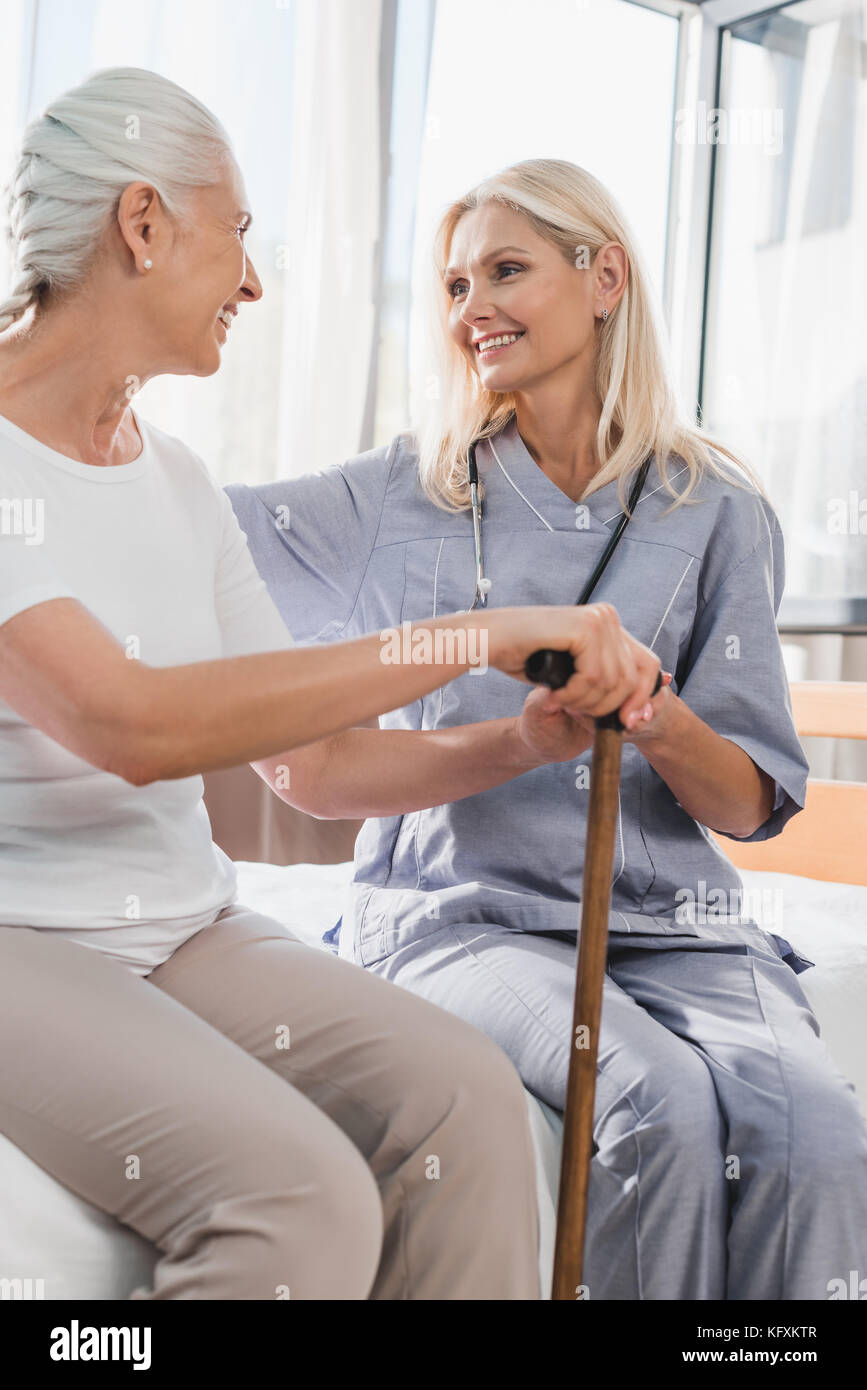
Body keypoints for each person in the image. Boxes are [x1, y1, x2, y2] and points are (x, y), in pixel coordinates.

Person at [0, 70, 660, 1301]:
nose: (253, 282)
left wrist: (520, 743)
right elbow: (130, 726)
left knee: (463, 1096)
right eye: (238, 235)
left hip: (180, 926)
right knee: (296, 1194)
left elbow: (318, 767)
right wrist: (470, 633)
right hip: (18, 938)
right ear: (143, 226)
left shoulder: (178, 480)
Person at [227, 157, 867, 1300]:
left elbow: (746, 804)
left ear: (604, 274)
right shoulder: (404, 492)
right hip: (458, 918)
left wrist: (652, 712)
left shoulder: (717, 506)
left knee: (814, 1133)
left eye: (506, 271)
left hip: (682, 927)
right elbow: (199, 527)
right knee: (651, 1105)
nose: (473, 308)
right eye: (456, 284)